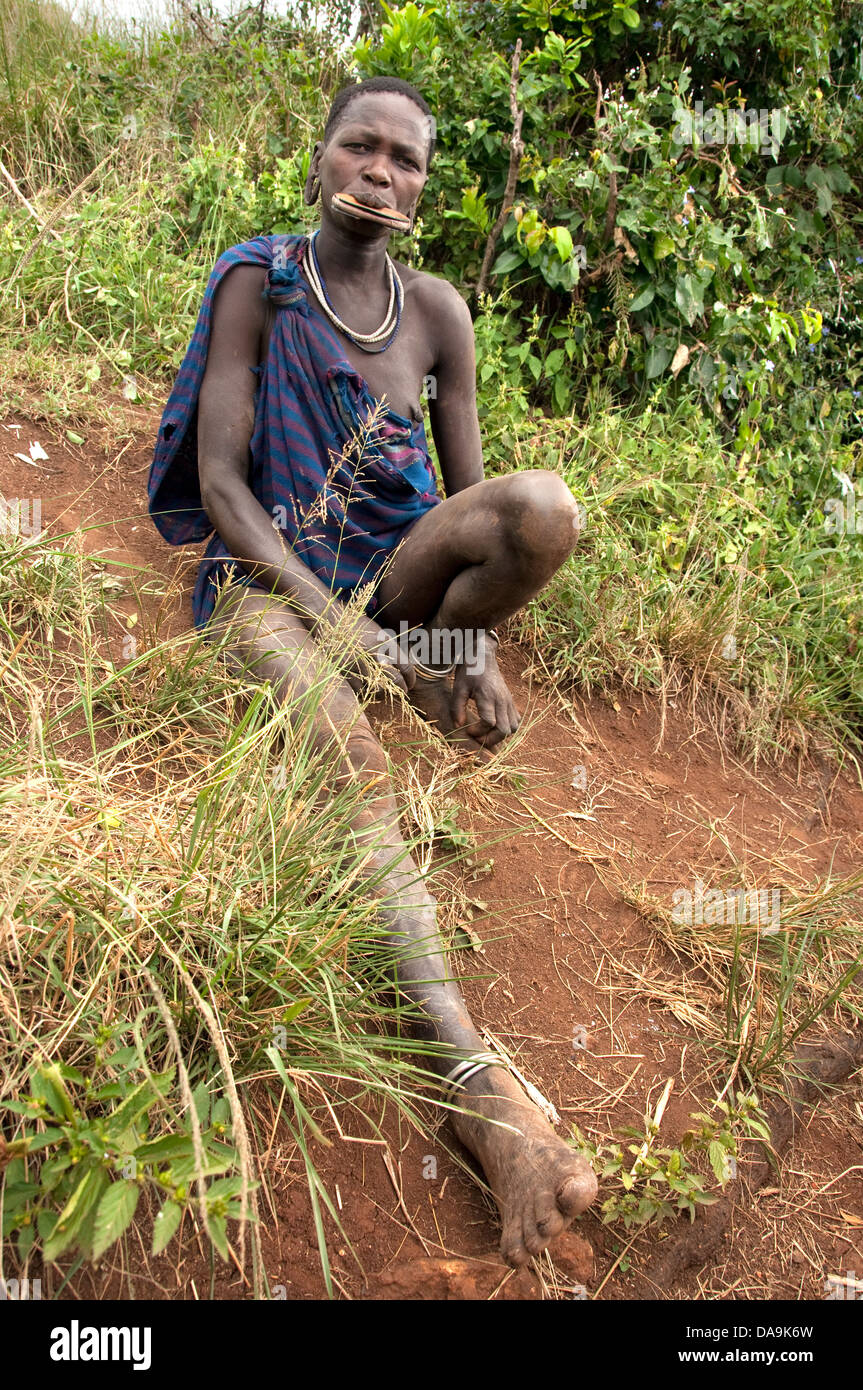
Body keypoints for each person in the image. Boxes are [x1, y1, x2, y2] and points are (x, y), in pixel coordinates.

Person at [149, 75, 597, 1268]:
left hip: (388, 581)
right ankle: (475, 1090)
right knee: (346, 750)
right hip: (266, 586)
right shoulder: (260, 281)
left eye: (404, 159)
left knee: (543, 512)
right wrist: (339, 638)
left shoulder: (437, 311)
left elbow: (466, 505)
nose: (380, 172)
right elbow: (226, 485)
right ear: (320, 156)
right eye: (361, 146)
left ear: (421, 183)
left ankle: (419, 665)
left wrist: (463, 641)